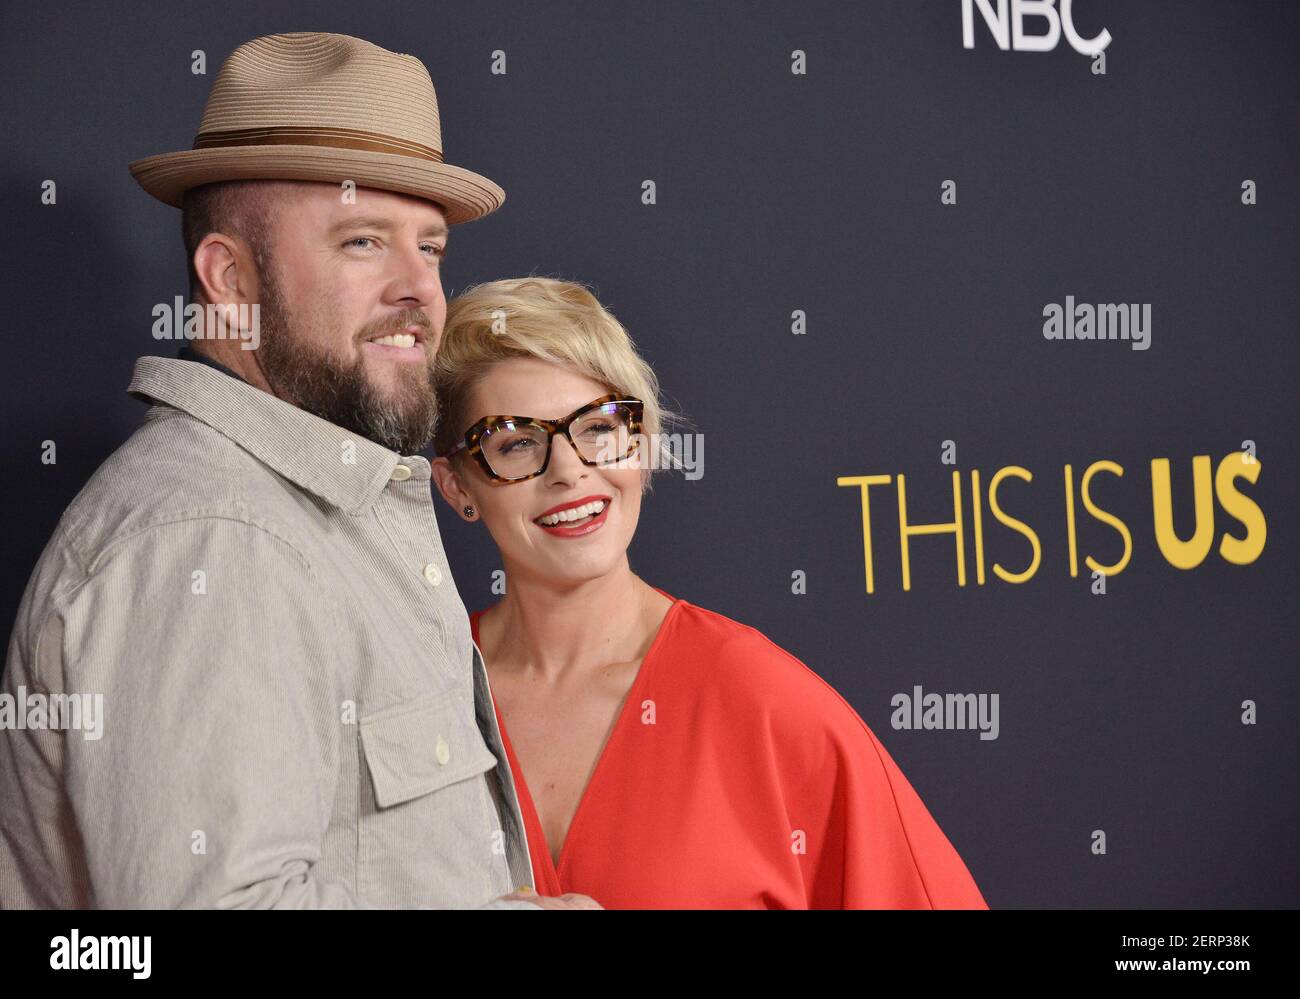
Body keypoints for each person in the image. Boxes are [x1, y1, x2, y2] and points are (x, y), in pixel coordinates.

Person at [0, 32, 598, 909]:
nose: (419, 290)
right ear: (228, 278)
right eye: (363, 241)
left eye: (429, 248)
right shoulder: (214, 539)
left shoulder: (310, 502)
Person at [430, 277, 989, 908]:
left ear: (638, 444)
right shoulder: (418, 695)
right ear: (457, 489)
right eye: (516, 443)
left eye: (598, 427)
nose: (569, 470)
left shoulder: (767, 703)